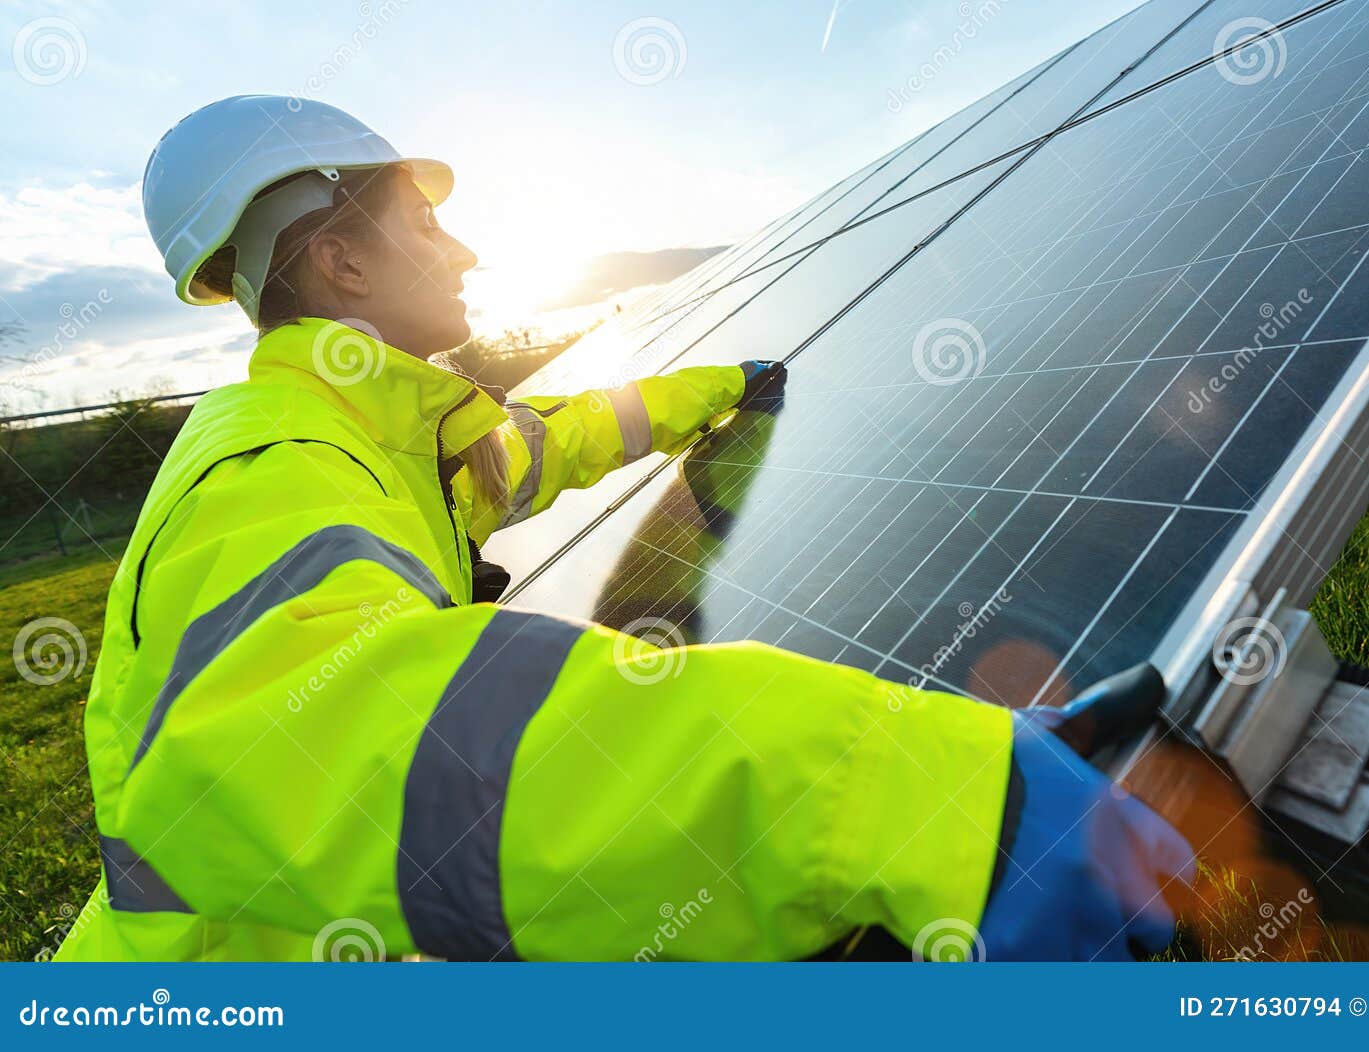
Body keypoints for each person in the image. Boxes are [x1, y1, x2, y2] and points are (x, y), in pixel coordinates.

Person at [54, 95, 1192, 962]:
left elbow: (547, 442)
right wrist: (900, 789)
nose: (465, 251)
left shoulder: (377, 431)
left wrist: (709, 388)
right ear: (340, 260)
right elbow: (361, 743)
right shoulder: (273, 465)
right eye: (427, 222)